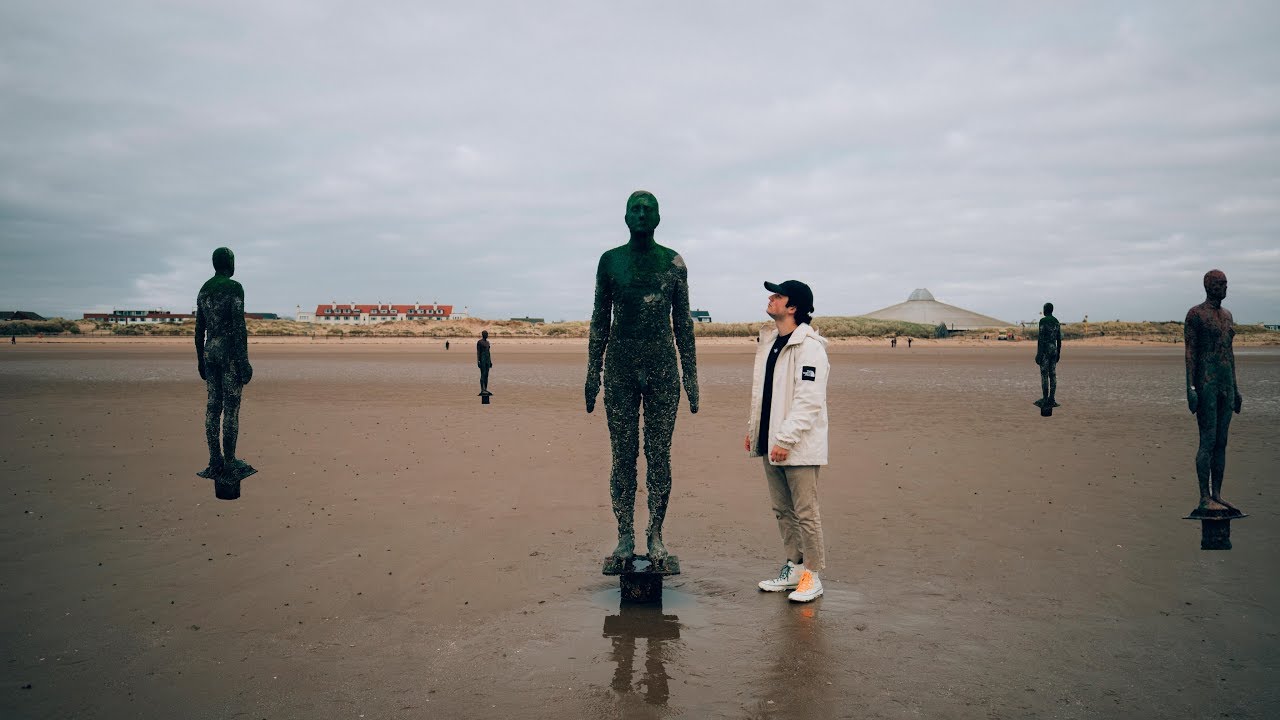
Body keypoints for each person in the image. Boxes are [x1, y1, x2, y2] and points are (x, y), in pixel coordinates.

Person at [587, 190, 699, 571]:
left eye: (646, 210)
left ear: (657, 218)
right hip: (619, 366)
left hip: (662, 367)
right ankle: (624, 537)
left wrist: (691, 378)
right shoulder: (610, 261)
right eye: (633, 209)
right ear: (625, 216)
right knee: (623, 455)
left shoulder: (673, 263)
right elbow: (600, 320)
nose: (640, 214)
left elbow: (683, 323)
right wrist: (592, 374)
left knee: (659, 455)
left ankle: (655, 535)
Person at [746, 280, 829, 603]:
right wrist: (754, 431)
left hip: (797, 445)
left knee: (806, 511)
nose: (771, 299)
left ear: (792, 307)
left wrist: (786, 438)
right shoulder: (771, 341)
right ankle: (794, 567)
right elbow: (765, 394)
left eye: (777, 296)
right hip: (770, 440)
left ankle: (813, 574)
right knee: (782, 509)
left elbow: (809, 401)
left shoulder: (809, 347)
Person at [1185, 269, 1243, 512]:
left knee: (1222, 441)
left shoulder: (1227, 316)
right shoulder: (1196, 314)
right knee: (1207, 440)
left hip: (1225, 383)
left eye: (1226, 284)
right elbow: (1190, 353)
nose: (1225, 288)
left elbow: (1229, 354)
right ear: (1209, 286)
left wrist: (1236, 389)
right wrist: (1190, 387)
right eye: (1220, 284)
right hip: (1206, 383)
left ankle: (1217, 494)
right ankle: (1203, 496)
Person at [195, 247, 255, 480]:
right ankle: (229, 461)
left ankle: (214, 459)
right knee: (230, 409)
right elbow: (239, 327)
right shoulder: (233, 287)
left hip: (211, 352)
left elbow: (199, 329)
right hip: (228, 354)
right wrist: (244, 362)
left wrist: (200, 359)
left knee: (212, 407)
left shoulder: (204, 290)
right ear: (229, 262)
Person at [1034, 302, 1062, 408]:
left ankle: (1045, 398)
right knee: (1053, 375)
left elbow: (1041, 338)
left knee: (1044, 375)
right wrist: (1058, 353)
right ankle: (1052, 398)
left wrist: (1038, 354)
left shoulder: (1043, 321)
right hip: (1054, 350)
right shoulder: (1056, 321)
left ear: (1046, 310)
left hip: (1045, 351)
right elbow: (1059, 339)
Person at [476, 330, 492, 395]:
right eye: (486, 334)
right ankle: (482, 389)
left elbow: (489, 352)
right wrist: (478, 361)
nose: (487, 335)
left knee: (487, 375)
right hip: (482, 359)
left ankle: (485, 389)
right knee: (483, 374)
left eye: (487, 334)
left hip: (487, 359)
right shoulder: (479, 342)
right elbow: (478, 352)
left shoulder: (488, 342)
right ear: (483, 335)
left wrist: (490, 361)